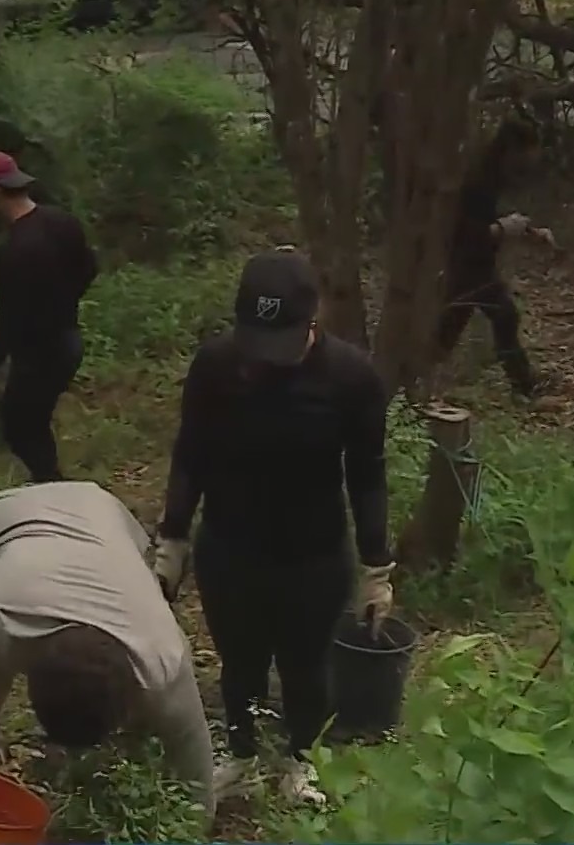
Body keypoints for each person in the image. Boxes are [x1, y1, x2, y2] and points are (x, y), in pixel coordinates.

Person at [150, 250, 394, 805]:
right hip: (231, 547)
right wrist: (172, 538)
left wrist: (378, 567)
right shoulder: (216, 366)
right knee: (239, 661)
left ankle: (301, 760)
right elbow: (190, 454)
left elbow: (368, 473)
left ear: (314, 322)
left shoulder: (351, 379)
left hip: (313, 552)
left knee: (306, 664)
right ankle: (241, 752)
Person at [0, 481, 214, 839]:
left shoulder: (165, 663)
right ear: (28, 673)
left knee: (152, 734)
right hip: (6, 518)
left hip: (103, 515)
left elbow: (200, 793)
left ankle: (114, 783)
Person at [0, 151, 99, 484]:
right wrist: (63, 302)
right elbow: (90, 268)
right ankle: (49, 483)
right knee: (35, 420)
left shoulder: (14, 251)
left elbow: (10, 323)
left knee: (18, 425)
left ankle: (54, 489)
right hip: (70, 342)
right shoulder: (62, 221)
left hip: (39, 358)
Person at [437, 115, 556, 398]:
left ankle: (525, 387)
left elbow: (493, 221)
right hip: (464, 264)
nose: (533, 159)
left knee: (499, 318)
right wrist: (501, 230)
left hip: (476, 264)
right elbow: (462, 230)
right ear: (513, 149)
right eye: (529, 152)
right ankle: (412, 382)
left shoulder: (496, 175)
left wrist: (530, 232)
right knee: (448, 330)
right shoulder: (478, 177)